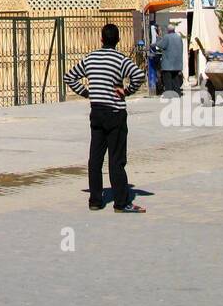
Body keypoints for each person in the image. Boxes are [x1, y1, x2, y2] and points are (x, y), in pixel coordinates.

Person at [65, 23, 145, 213]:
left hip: (97, 112)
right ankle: (121, 202)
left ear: (101, 39)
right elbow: (138, 74)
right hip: (115, 113)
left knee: (95, 158)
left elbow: (69, 77)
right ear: (118, 40)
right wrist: (125, 91)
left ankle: (95, 200)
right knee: (116, 159)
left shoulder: (91, 58)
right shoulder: (119, 59)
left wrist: (87, 93)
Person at [155, 20, 184, 96]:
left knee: (167, 80)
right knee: (175, 79)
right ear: (174, 30)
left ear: (168, 30)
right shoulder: (178, 37)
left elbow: (161, 45)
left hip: (168, 64)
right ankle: (177, 93)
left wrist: (157, 38)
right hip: (177, 63)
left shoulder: (167, 37)